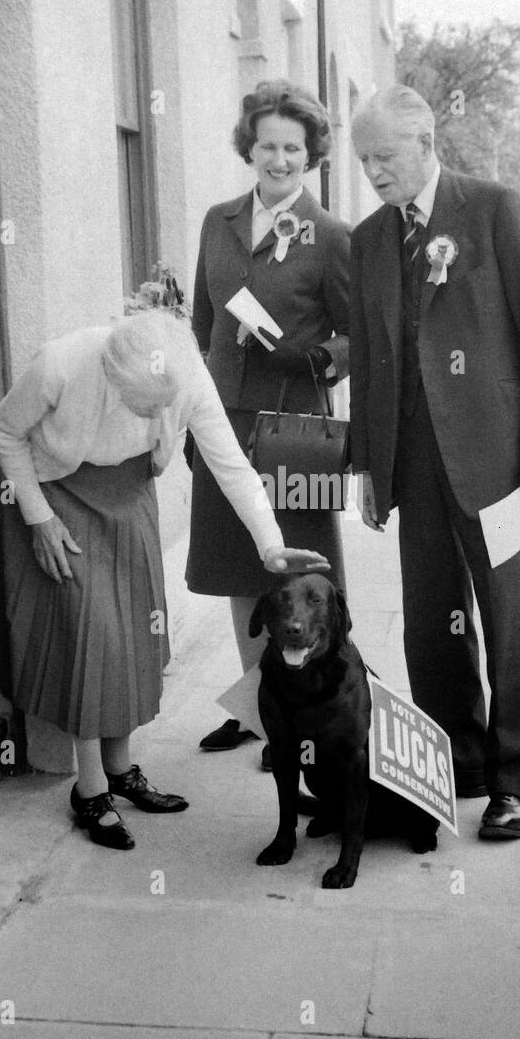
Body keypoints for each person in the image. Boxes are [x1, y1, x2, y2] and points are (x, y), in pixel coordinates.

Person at [0, 309, 327, 850]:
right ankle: (90, 788)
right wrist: (37, 517)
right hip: (61, 492)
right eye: (144, 404)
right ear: (112, 374)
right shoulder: (61, 364)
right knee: (92, 633)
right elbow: (5, 429)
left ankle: (121, 769)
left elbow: (231, 463)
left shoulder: (186, 375)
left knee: (133, 633)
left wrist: (270, 544)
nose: (158, 416)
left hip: (129, 494)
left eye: (164, 405)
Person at [347, 85, 520, 842]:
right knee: (431, 625)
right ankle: (459, 763)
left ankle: (513, 784)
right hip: (413, 464)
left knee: (509, 623)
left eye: (384, 156)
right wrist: (370, 471)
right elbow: (373, 365)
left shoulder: (493, 209)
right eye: (363, 160)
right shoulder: (371, 240)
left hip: (502, 461)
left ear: (426, 141)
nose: (373, 172)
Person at [187, 79, 351, 766]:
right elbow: (201, 322)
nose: (279, 160)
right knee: (238, 569)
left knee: (297, 580)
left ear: (310, 154)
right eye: (267, 147)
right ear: (248, 149)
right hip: (224, 423)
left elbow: (357, 338)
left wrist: (314, 354)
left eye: (292, 148)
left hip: (294, 431)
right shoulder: (218, 222)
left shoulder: (333, 235)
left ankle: (308, 718)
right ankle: (259, 707)